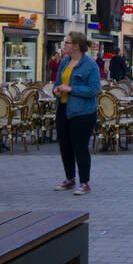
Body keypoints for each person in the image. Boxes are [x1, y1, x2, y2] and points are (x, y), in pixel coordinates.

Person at [52, 32, 101, 196]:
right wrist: (56, 90)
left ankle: (84, 182)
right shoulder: (64, 62)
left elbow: (94, 90)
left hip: (82, 112)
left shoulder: (90, 65)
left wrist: (71, 89)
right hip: (63, 109)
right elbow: (58, 82)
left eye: (66, 43)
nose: (64, 45)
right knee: (64, 146)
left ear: (76, 46)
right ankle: (69, 178)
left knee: (80, 146)